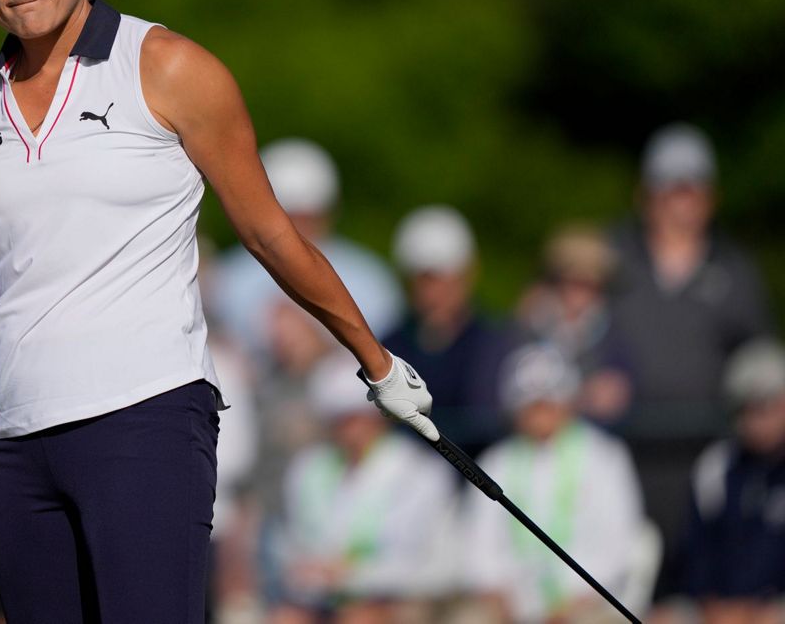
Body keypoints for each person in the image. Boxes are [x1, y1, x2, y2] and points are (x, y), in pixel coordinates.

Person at [0, 0, 437, 623]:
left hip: (145, 419)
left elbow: (269, 234)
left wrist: (377, 362)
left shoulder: (169, 68)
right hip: (19, 442)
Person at [607, 123, 775, 597]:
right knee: (626, 592)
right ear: (646, 195)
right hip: (620, 459)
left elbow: (760, 364)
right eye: (669, 189)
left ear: (710, 197)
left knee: (709, 592)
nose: (680, 203)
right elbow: (563, 331)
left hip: (713, 460)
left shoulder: (736, 272)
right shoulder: (611, 260)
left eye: (691, 189)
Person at [458, 345, 645, 624]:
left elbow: (619, 544)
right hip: (509, 603)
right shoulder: (496, 461)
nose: (541, 412)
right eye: (531, 405)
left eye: (549, 402)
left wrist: (572, 603)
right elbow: (477, 544)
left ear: (569, 402)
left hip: (586, 600)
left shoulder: (605, 456)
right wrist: (497, 595)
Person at [271, 356, 456, 624]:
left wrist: (350, 576)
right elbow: (293, 545)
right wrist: (311, 572)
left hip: (400, 599)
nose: (349, 430)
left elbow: (427, 566)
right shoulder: (308, 469)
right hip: (325, 599)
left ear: (380, 417)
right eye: (339, 420)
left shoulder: (419, 471)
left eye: (356, 418)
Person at [214, 138, 405, 373]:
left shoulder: (369, 277)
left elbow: (389, 354)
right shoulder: (229, 277)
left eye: (308, 217)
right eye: (290, 218)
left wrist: (322, 345)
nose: (300, 230)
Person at [382, 205, 512, 451]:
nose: (436, 293)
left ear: (468, 276)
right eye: (427, 280)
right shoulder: (391, 346)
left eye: (446, 280)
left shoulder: (494, 343)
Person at [683, 339, 785, 622]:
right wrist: (711, 604)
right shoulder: (715, 465)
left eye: (766, 406)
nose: (756, 420)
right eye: (745, 408)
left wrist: (755, 610)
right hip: (714, 608)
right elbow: (695, 551)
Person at [515, 225, 634, 424]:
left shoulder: (614, 334)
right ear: (557, 280)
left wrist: (616, 391)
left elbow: (625, 388)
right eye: (573, 281)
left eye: (590, 284)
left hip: (590, 444)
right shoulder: (527, 325)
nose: (580, 292)